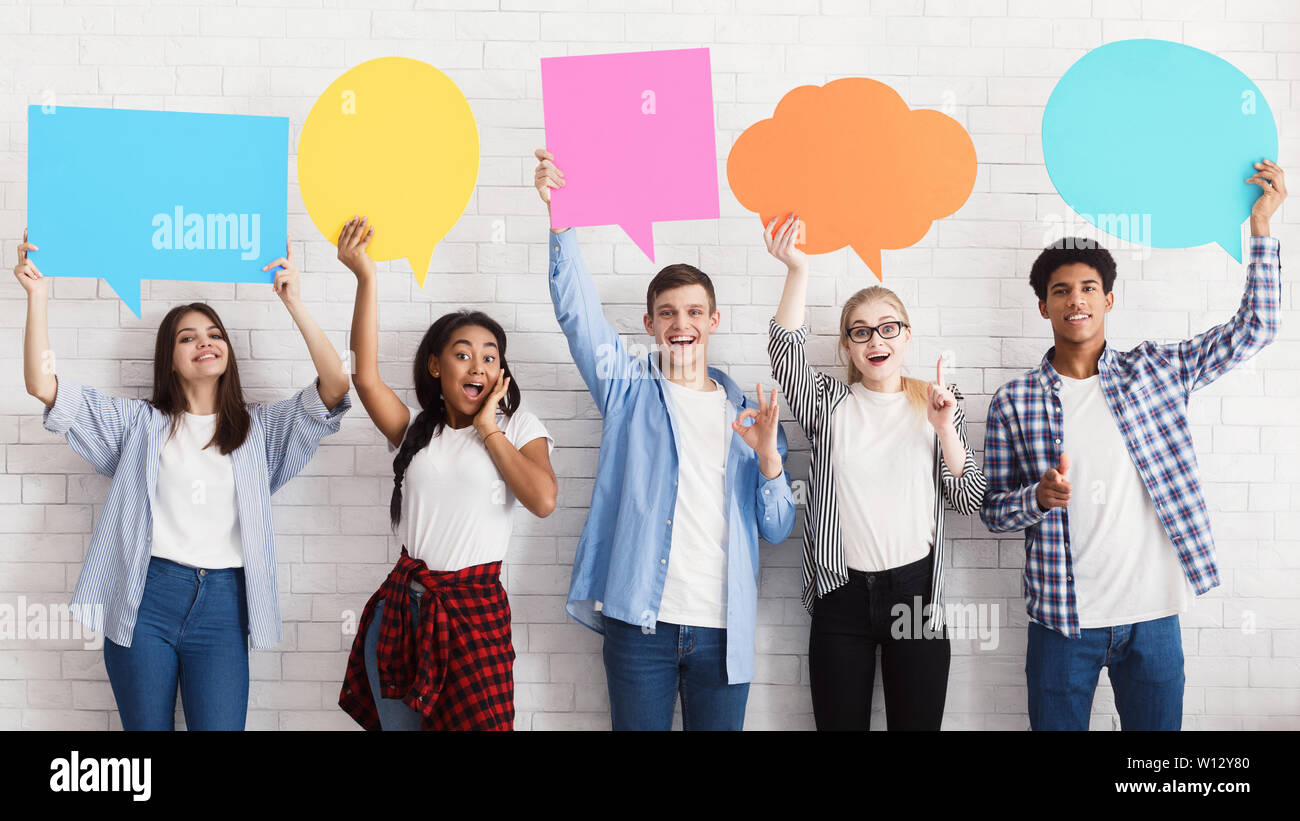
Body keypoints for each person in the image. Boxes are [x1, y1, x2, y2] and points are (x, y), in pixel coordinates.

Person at [980, 160, 1287, 731]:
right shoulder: (1013, 401)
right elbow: (992, 510)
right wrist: (1037, 498)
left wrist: (1261, 230)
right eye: (1061, 291)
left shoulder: (1158, 372)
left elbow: (1256, 328)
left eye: (1089, 288)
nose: (1077, 300)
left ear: (1109, 300)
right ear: (1043, 306)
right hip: (1060, 622)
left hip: (1153, 620)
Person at [15, 231, 351, 730]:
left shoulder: (259, 431)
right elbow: (43, 386)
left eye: (214, 334)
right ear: (169, 358)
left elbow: (335, 387)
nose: (205, 342)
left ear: (229, 352)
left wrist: (294, 302)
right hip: (146, 597)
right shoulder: (137, 425)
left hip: (223, 605)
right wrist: (37, 298)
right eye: (187, 337)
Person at [533, 149, 796, 731]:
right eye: (668, 313)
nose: (682, 324)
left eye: (695, 312)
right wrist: (560, 220)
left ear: (714, 321)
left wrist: (770, 456)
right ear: (650, 325)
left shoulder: (750, 415)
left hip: (723, 632)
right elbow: (578, 317)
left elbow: (777, 529)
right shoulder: (627, 392)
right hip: (640, 627)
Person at [334, 217, 557, 731]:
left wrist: (488, 429)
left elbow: (543, 499)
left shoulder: (519, 426)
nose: (476, 366)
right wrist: (366, 278)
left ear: (501, 372)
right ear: (436, 367)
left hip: (476, 618)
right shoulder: (415, 431)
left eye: (489, 356)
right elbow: (364, 376)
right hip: (404, 617)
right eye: (462, 355)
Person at [765, 214, 986, 730]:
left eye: (888, 328)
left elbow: (970, 498)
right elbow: (785, 352)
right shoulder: (828, 404)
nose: (875, 340)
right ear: (846, 347)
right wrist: (797, 271)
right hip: (841, 595)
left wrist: (945, 427)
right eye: (860, 332)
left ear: (906, 336)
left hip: (917, 595)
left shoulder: (937, 403)